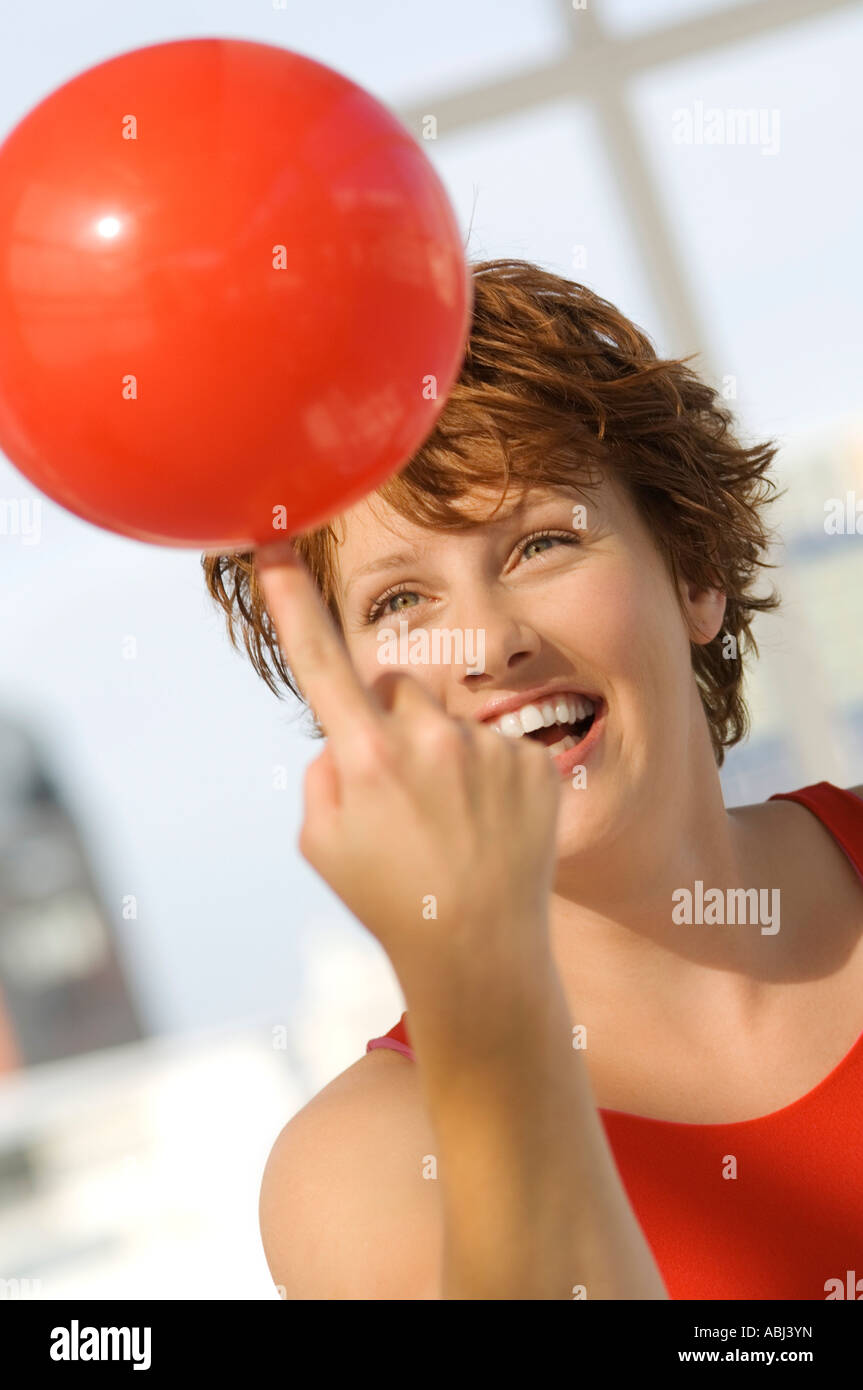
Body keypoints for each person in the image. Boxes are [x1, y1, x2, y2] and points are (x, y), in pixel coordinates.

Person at [202, 259, 863, 1300]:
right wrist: (475, 972)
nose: (486, 642)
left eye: (541, 542)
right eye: (399, 601)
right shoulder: (359, 1173)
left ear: (691, 573)